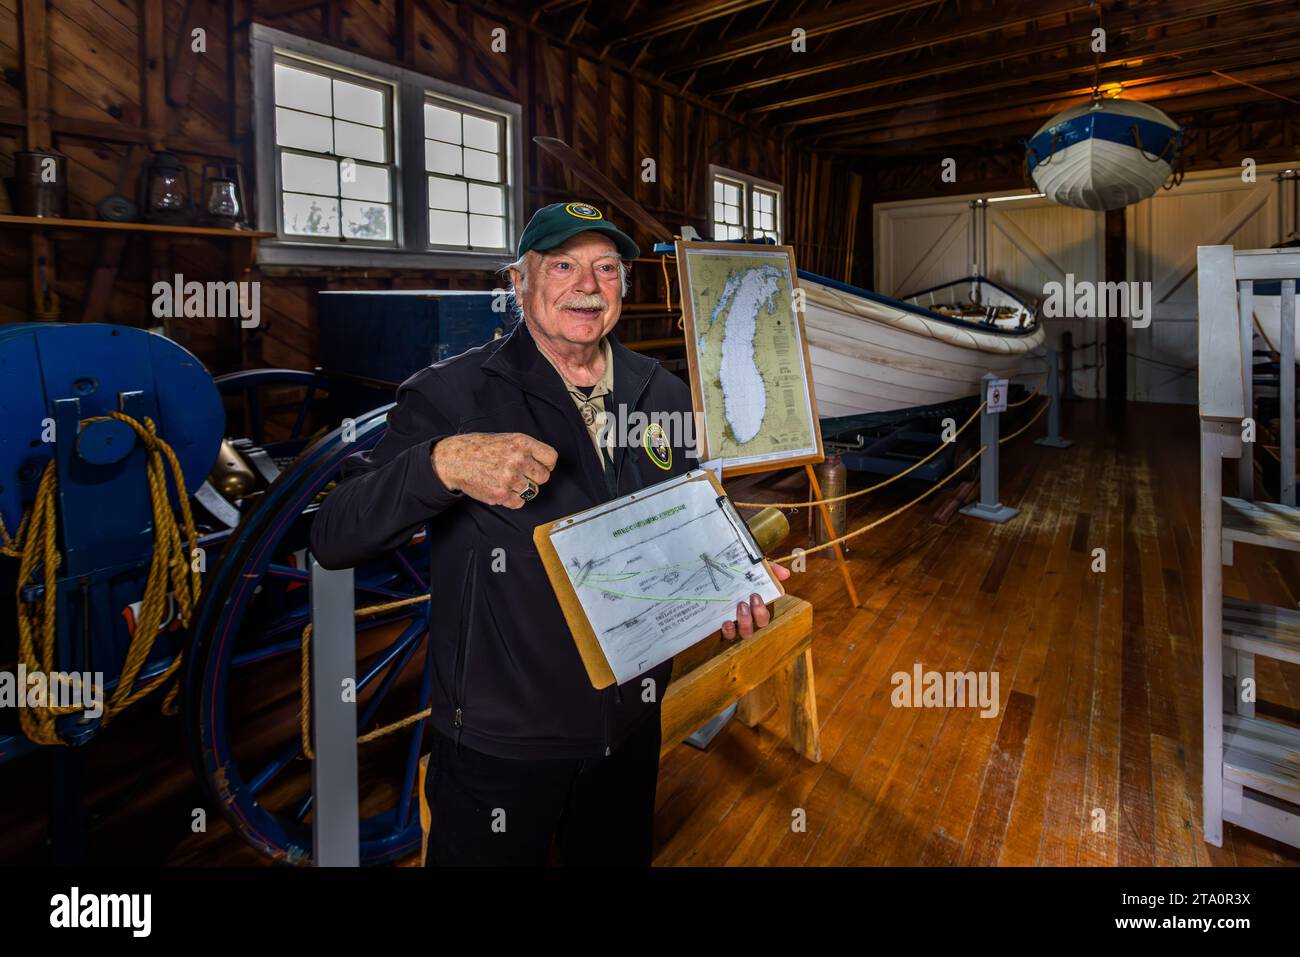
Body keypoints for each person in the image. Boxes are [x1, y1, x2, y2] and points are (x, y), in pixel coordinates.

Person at [310, 201, 789, 866]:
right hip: (502, 743)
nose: (587, 285)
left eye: (606, 268)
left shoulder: (664, 393)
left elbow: (688, 517)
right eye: (562, 265)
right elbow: (334, 532)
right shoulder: (452, 396)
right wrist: (442, 462)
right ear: (519, 282)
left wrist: (735, 579)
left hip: (627, 729)